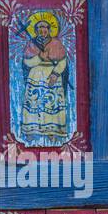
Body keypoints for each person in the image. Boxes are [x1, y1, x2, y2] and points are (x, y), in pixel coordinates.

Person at [20, 16, 68, 144]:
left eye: (45, 27)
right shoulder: (31, 43)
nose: (43, 30)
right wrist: (40, 57)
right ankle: (32, 131)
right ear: (36, 30)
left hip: (52, 76)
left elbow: (63, 61)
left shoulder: (56, 43)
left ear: (49, 30)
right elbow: (27, 62)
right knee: (35, 103)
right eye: (40, 28)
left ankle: (52, 131)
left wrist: (55, 73)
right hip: (35, 75)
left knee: (52, 104)